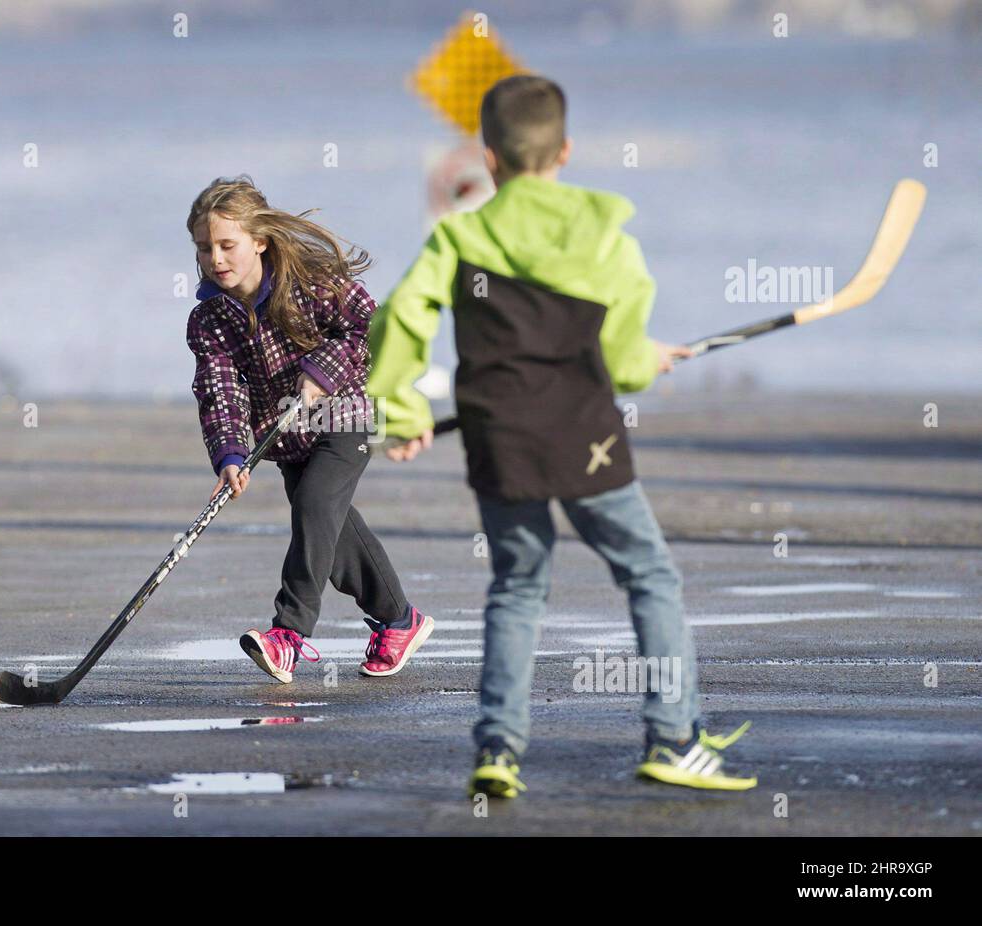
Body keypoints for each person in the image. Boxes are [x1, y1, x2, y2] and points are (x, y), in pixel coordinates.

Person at [367, 76, 756, 796]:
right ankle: (673, 737)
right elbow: (623, 358)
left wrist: (402, 411)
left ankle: (499, 751)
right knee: (650, 576)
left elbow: (401, 319)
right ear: (566, 150)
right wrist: (648, 359)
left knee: (517, 586)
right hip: (586, 438)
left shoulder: (460, 234)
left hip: (498, 437)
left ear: (488, 158)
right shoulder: (606, 237)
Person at [186, 176, 434, 684]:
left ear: (259, 240)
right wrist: (231, 454)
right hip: (286, 435)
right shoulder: (209, 318)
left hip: (347, 415)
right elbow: (219, 388)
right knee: (334, 534)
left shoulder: (311, 282)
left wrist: (322, 370)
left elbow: (369, 327)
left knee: (317, 505)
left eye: (227, 245)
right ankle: (399, 619)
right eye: (205, 248)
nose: (216, 258)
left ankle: (290, 634)